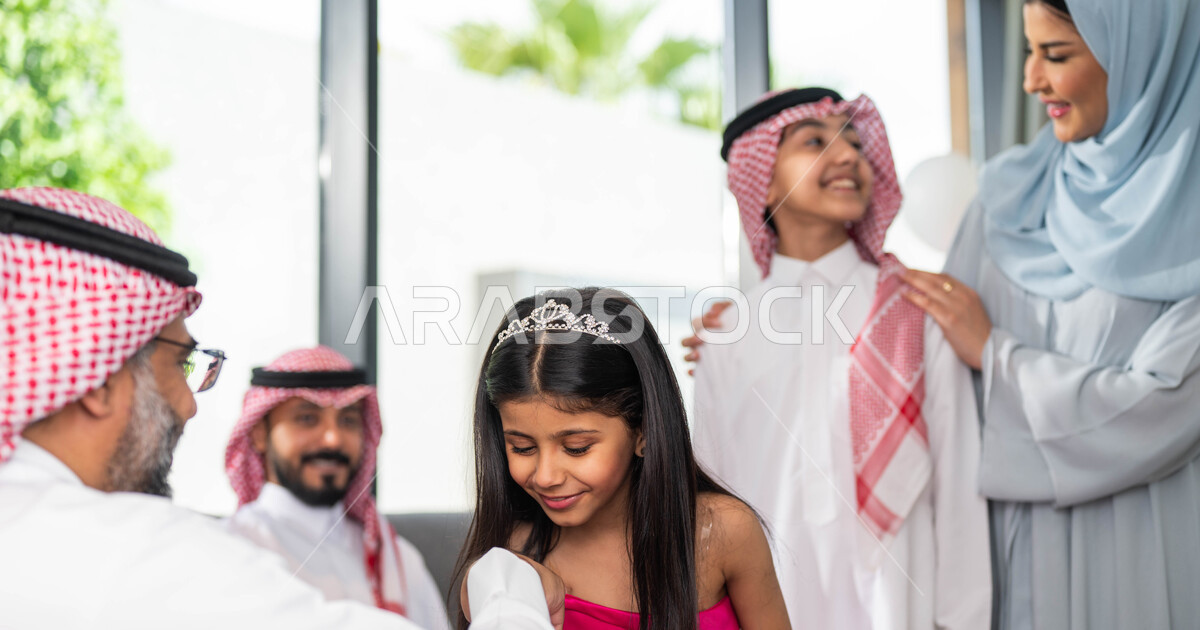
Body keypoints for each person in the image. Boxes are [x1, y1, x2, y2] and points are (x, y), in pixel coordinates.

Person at [0, 187, 560, 629]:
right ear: (99, 380)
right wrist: (507, 589)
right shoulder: (132, 551)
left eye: (347, 419)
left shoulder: (396, 558)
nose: (189, 405)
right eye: (179, 363)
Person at [899, 0, 1200, 628]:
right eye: (1028, 52)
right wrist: (757, 343)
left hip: (1138, 548)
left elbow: (1166, 408)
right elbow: (921, 346)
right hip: (1003, 553)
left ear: (1141, 57)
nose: (1032, 80)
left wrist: (996, 355)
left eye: (1056, 55)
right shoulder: (1004, 197)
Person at [689, 88, 991, 629]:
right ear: (761, 180)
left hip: (899, 605)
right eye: (814, 142)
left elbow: (959, 486)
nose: (848, 155)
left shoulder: (915, 310)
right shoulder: (726, 332)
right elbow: (710, 501)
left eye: (854, 142)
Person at [453, 288, 790, 630]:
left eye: (577, 447)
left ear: (643, 430)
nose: (546, 476)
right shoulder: (509, 562)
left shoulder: (723, 532)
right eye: (523, 448)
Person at [224, 346, 449, 629]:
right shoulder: (233, 548)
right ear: (259, 433)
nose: (333, 439)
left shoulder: (398, 559)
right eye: (307, 418)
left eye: (348, 420)